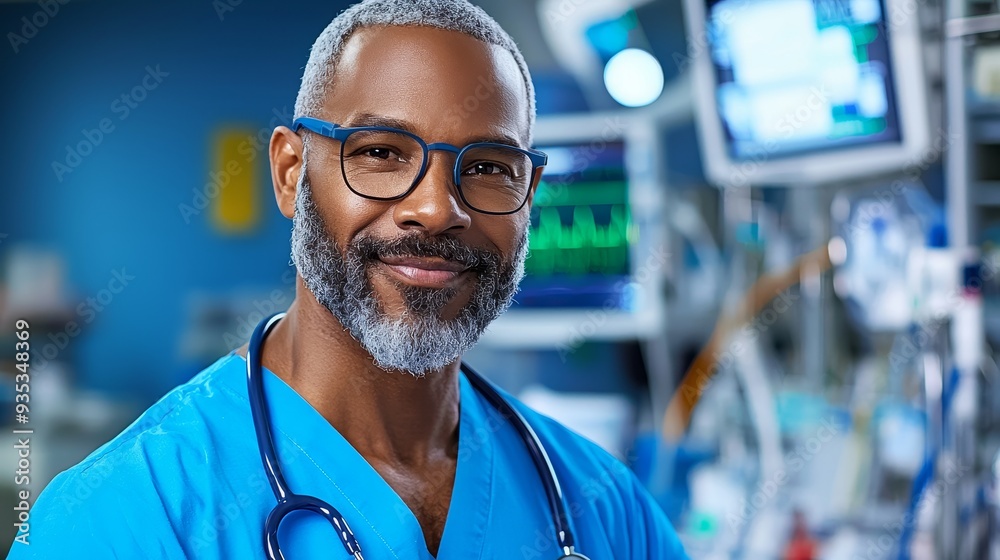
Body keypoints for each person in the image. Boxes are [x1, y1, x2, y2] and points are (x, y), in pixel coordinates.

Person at [8, 1, 689, 558]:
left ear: (528, 194)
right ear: (290, 171)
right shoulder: (121, 518)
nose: (437, 208)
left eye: (487, 166)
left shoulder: (602, 509)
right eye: (382, 154)